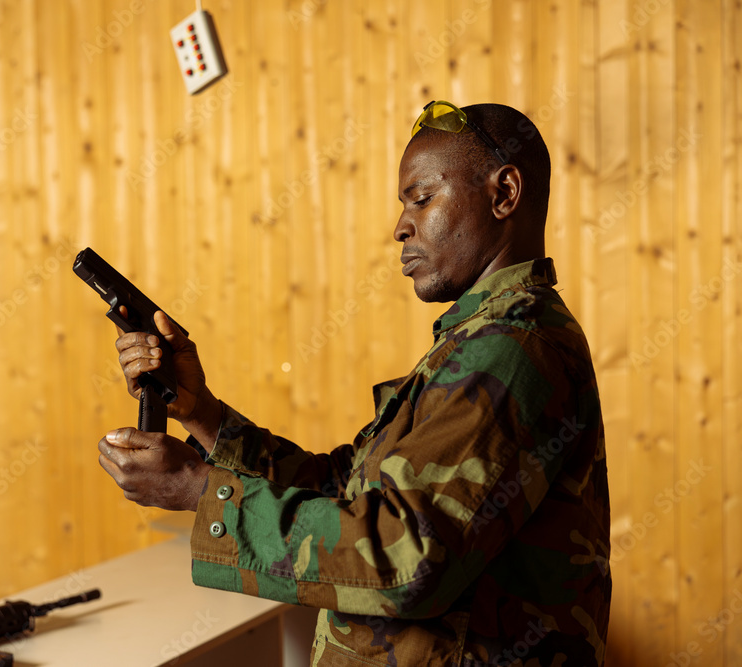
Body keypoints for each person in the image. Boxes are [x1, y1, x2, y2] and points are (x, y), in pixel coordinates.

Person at [98, 101, 611, 666]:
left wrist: (200, 490)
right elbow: (347, 492)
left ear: (504, 193)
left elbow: (409, 557)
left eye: (422, 198)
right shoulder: (477, 342)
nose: (401, 227)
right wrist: (200, 411)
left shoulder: (514, 348)